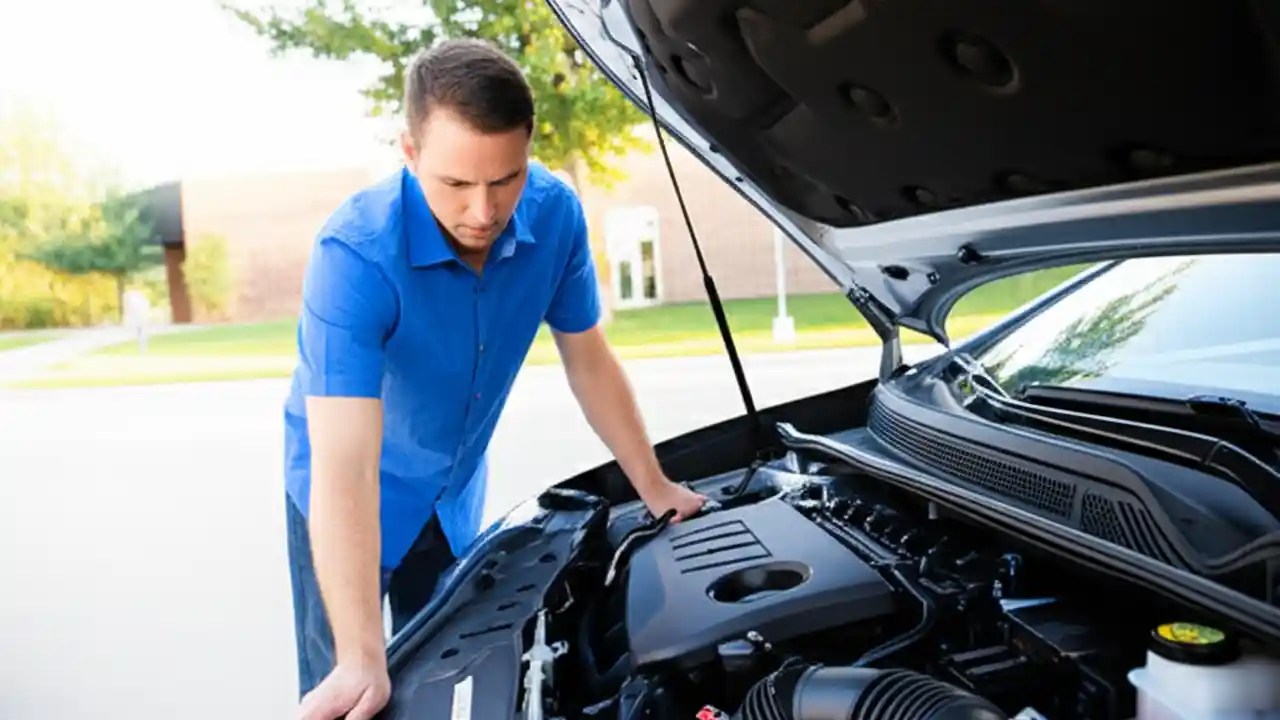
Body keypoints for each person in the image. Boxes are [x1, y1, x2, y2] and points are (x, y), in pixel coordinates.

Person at [281, 38, 708, 720]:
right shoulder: (353, 255)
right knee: (355, 693)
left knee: (441, 687)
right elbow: (345, 465)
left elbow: (588, 358)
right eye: (456, 184)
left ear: (529, 152)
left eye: (505, 179)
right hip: (347, 498)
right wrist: (361, 654)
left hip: (451, 497)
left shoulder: (556, 216)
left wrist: (653, 487)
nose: (483, 210)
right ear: (410, 152)